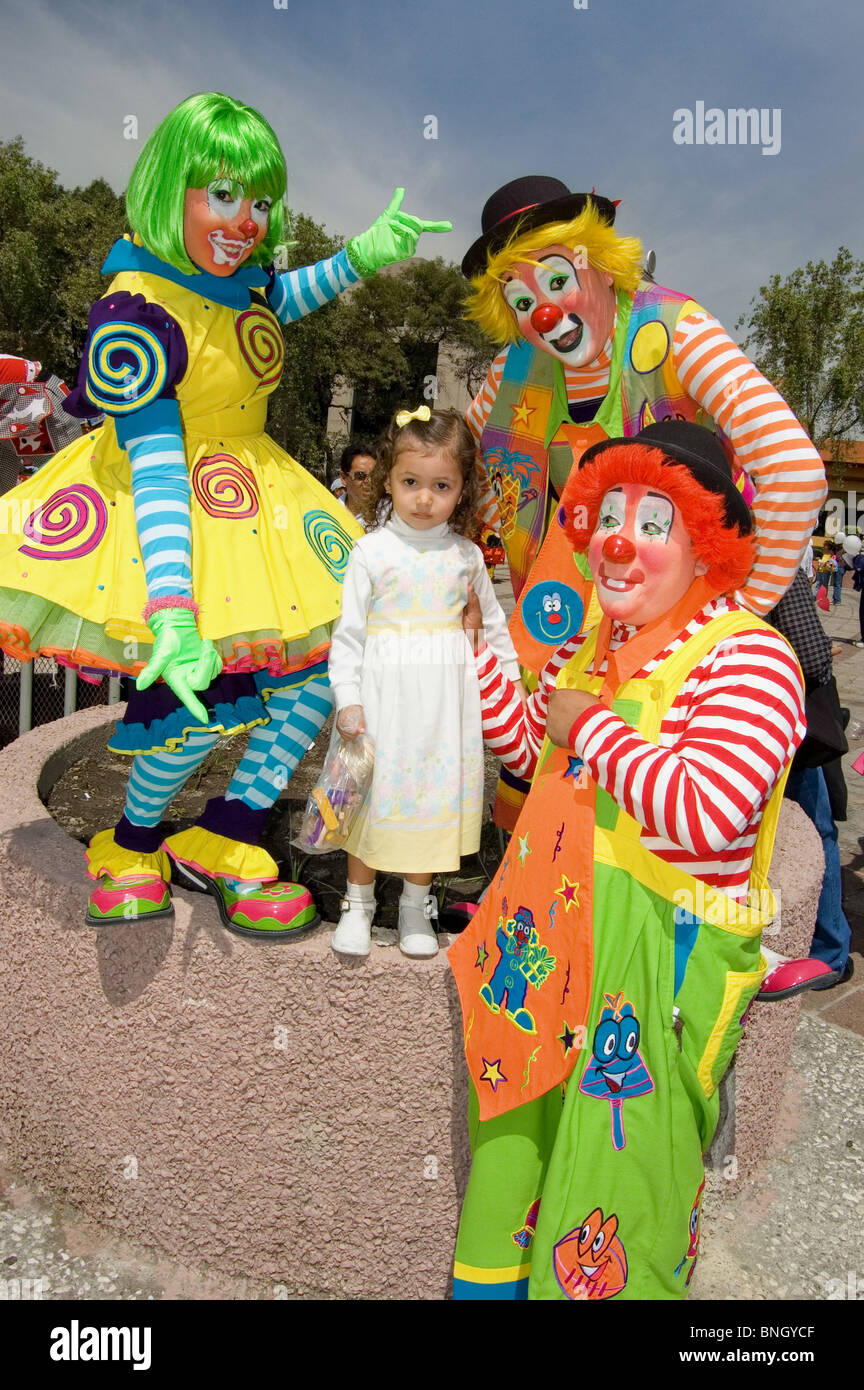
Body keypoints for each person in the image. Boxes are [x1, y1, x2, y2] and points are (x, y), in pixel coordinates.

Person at [0, 91, 451, 937]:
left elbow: (284, 297)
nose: (248, 221)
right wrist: (173, 605)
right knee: (192, 690)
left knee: (318, 674)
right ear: (170, 188)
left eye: (263, 202)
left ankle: (227, 832)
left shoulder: (238, 287)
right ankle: (130, 841)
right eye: (224, 195)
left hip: (258, 498)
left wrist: (362, 255)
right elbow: (159, 463)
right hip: (167, 507)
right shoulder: (136, 311)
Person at [448, 421, 806, 1300]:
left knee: (614, 1203)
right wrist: (480, 647)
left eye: (652, 525)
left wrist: (591, 728)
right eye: (610, 516)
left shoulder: (750, 657)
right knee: (511, 1173)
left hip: (655, 971)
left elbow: (708, 811)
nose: (618, 542)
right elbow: (532, 753)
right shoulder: (595, 649)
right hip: (539, 963)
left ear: (705, 544)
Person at [461, 177, 826, 827]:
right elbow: (451, 476)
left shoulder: (675, 329)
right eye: (520, 299)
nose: (543, 313)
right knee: (564, 791)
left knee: (733, 798)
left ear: (597, 260)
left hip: (696, 604)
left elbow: (793, 470)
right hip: (567, 620)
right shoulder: (508, 373)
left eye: (554, 279)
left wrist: (717, 626)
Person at [328, 406, 520, 959]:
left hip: (444, 708)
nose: (423, 498)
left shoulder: (465, 557)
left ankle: (416, 903)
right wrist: (349, 700)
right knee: (369, 802)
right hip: (383, 703)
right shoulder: (371, 552)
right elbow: (349, 637)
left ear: (462, 490)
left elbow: (495, 629)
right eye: (411, 482)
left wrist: (509, 690)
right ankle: (358, 903)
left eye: (441, 485)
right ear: (388, 477)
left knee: (430, 803)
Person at [338, 440, 377, 527]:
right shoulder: (328, 511)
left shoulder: (387, 516)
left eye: (374, 476)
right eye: (360, 475)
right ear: (344, 478)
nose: (369, 481)